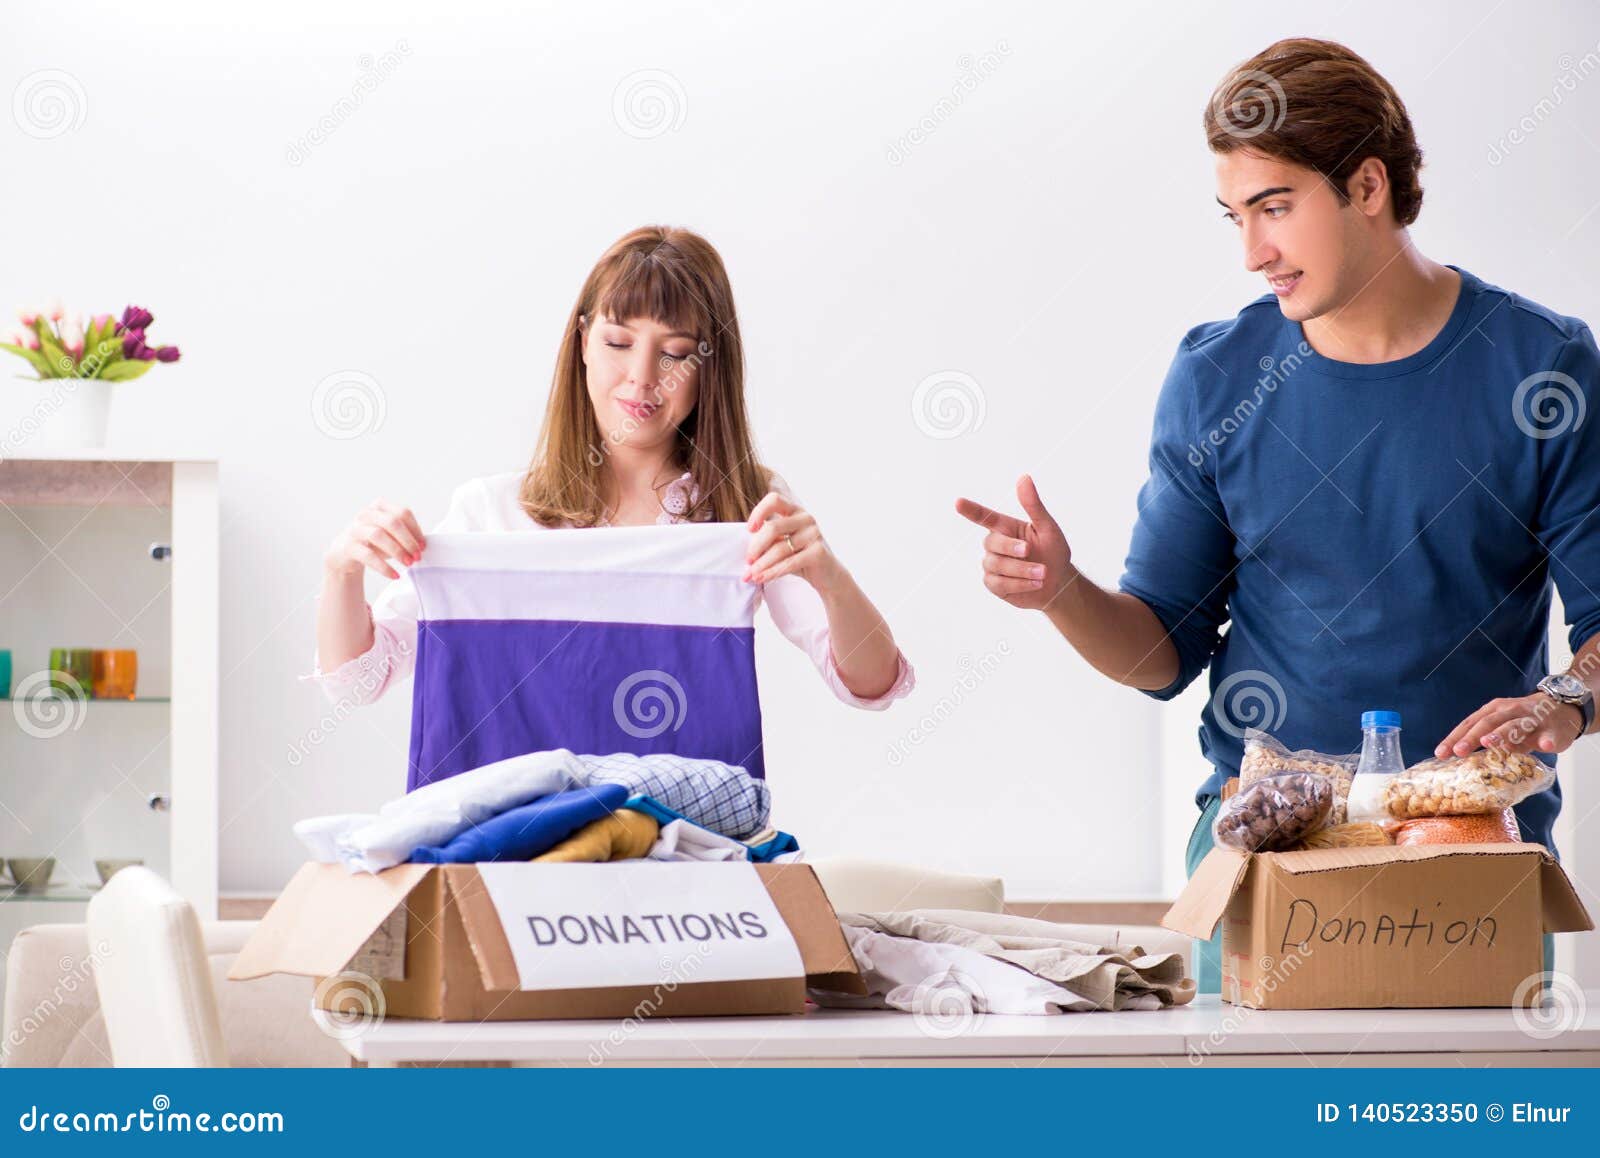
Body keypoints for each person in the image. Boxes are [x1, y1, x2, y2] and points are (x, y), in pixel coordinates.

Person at [957, 39, 1599, 992]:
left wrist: (1564, 703)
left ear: (1368, 185)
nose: (1253, 251)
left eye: (1274, 207)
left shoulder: (1541, 367)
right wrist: (1062, 593)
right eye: (1236, 215)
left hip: (1470, 865)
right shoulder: (1219, 377)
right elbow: (1160, 655)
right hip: (1263, 868)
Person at [307, 225, 913, 734]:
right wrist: (342, 570)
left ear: (711, 370)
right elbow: (359, 682)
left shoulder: (747, 509)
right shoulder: (492, 513)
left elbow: (872, 684)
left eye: (675, 353)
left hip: (688, 842)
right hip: (517, 848)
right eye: (619, 342)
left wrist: (831, 580)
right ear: (583, 344)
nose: (642, 377)